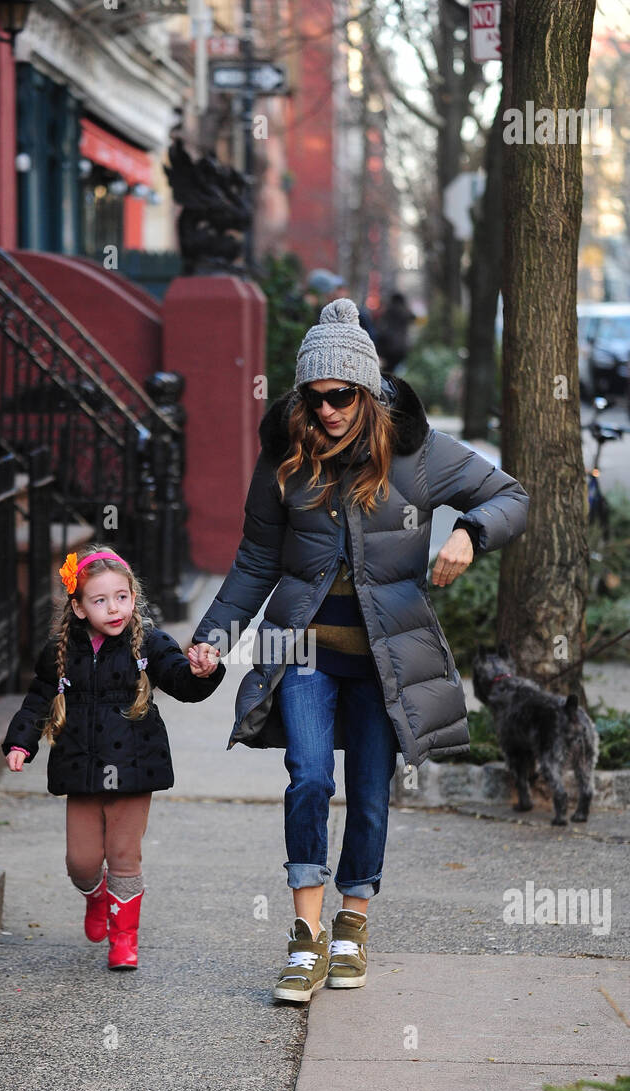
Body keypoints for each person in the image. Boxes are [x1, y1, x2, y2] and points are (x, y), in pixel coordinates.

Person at [188, 298, 529, 1003]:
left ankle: (352, 923)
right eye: (314, 400)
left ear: (367, 392)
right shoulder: (286, 451)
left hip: (385, 654)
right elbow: (256, 557)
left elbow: (510, 495)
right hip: (302, 649)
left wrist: (470, 533)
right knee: (309, 777)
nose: (328, 412)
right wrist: (214, 639)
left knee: (370, 795)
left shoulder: (419, 453)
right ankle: (305, 936)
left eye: (341, 397)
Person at [2, 544, 224, 970]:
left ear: (133, 596)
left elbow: (182, 682)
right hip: (79, 768)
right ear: (80, 608)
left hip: (135, 766)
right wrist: (20, 743)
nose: (114, 608)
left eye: (121, 597)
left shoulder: (151, 643)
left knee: (124, 854)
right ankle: (95, 896)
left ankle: (124, 939)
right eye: (100, 600)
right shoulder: (61, 650)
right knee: (82, 862)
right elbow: (38, 700)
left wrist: (204, 672)